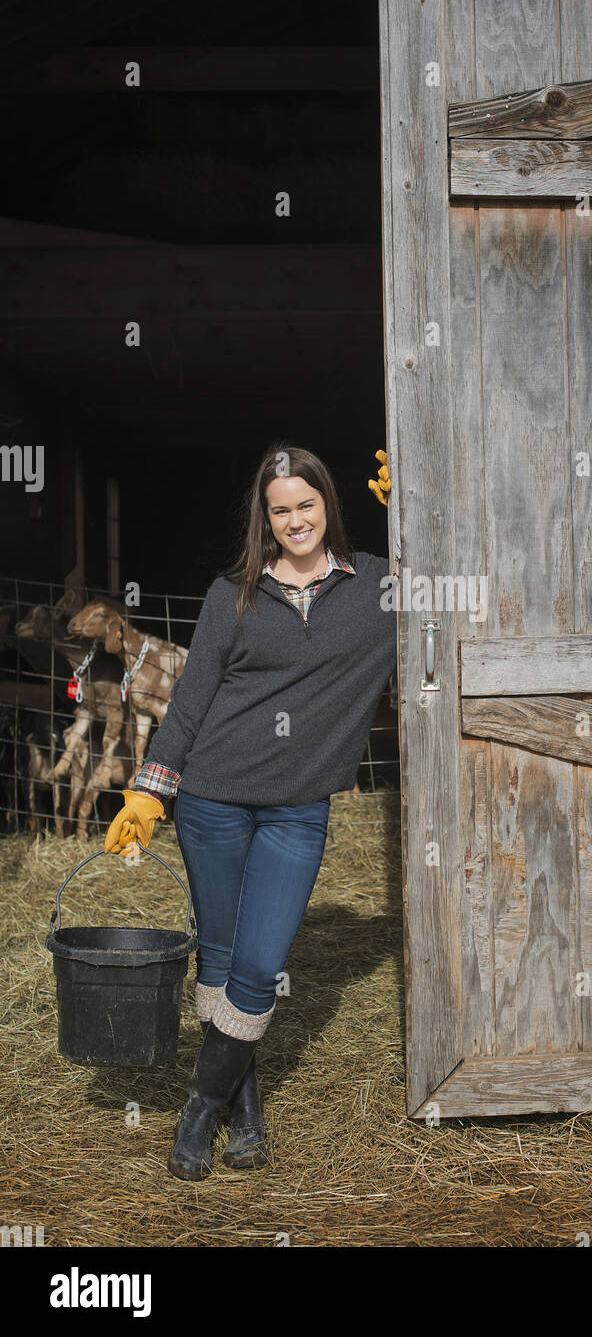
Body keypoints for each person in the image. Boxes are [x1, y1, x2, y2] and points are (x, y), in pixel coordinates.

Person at [104, 444, 395, 1181]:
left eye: (306, 504)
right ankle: (245, 1110)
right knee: (225, 957)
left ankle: (199, 1109)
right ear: (264, 520)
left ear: (328, 504)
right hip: (212, 801)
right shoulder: (230, 593)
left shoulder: (380, 586)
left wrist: (423, 510)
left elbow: (468, 581)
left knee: (261, 968)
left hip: (296, 811)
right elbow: (193, 698)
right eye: (280, 510)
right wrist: (150, 788)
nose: (295, 519)